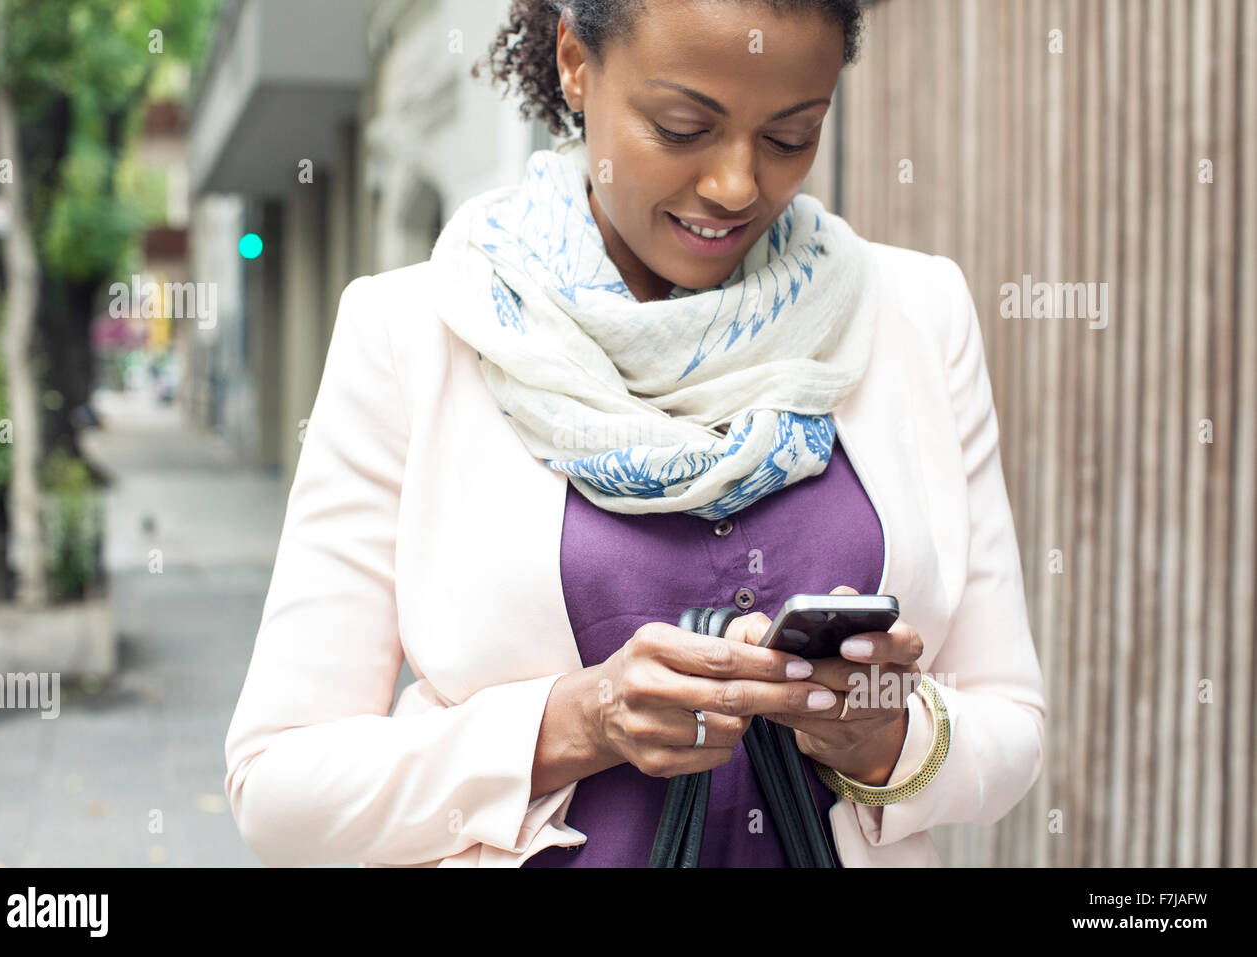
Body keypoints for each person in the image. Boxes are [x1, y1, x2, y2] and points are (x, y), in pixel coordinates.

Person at [223, 0, 1045, 867]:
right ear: (575, 62)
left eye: (790, 136)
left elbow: (1011, 727)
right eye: (683, 127)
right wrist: (574, 722)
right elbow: (279, 786)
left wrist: (887, 736)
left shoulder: (916, 316)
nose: (736, 185)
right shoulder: (415, 334)